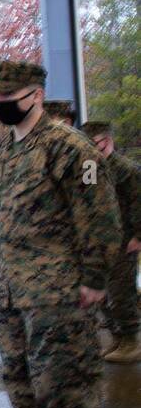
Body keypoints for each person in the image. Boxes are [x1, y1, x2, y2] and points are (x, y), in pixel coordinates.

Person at [0, 63, 120, 408]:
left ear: (36, 95)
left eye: (9, 96)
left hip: (57, 291)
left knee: (63, 383)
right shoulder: (5, 148)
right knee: (21, 382)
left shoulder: (69, 148)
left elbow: (100, 218)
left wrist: (95, 281)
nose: (1, 104)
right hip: (12, 288)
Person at [81, 120, 141, 364]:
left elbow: (138, 204)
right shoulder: (91, 169)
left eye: (94, 144)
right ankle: (117, 337)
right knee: (102, 292)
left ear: (107, 141)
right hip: (99, 241)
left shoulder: (127, 170)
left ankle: (130, 340)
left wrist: (139, 236)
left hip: (124, 240)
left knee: (121, 291)